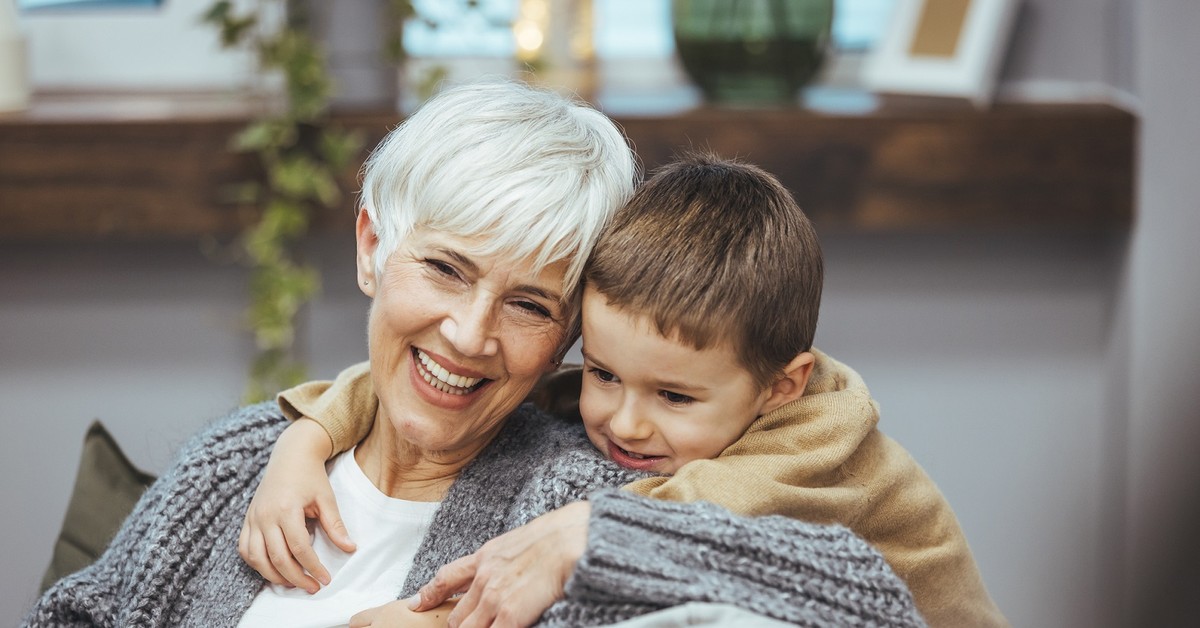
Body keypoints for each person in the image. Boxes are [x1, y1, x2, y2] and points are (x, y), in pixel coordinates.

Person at [24, 82, 923, 628]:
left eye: (529, 304)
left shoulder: (573, 501)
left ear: (572, 334)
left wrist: (592, 542)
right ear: (373, 248)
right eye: (445, 269)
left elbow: (868, 602)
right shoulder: (240, 463)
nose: (468, 334)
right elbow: (83, 611)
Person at [251, 153, 1006, 627]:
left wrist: (445, 620)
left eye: (673, 399)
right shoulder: (656, 386)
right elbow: (466, 380)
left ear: (784, 386)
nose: (624, 423)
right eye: (602, 373)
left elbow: (657, 533)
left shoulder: (814, 446)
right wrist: (309, 436)